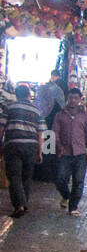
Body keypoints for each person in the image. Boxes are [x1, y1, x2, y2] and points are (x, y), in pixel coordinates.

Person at [0, 85, 42, 217]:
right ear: (29, 95)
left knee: (14, 176)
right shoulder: (36, 110)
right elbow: (40, 133)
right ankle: (24, 204)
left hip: (13, 145)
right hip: (31, 147)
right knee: (27, 177)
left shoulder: (9, 108)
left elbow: (1, 128)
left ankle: (19, 205)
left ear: (16, 95)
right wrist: (39, 152)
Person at [53, 87, 87, 215]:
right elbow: (55, 132)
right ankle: (66, 195)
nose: (72, 100)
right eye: (71, 97)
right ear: (67, 99)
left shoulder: (84, 116)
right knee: (59, 178)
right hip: (64, 153)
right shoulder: (60, 115)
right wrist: (58, 145)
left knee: (78, 181)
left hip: (80, 153)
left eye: (76, 98)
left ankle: (73, 207)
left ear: (79, 100)